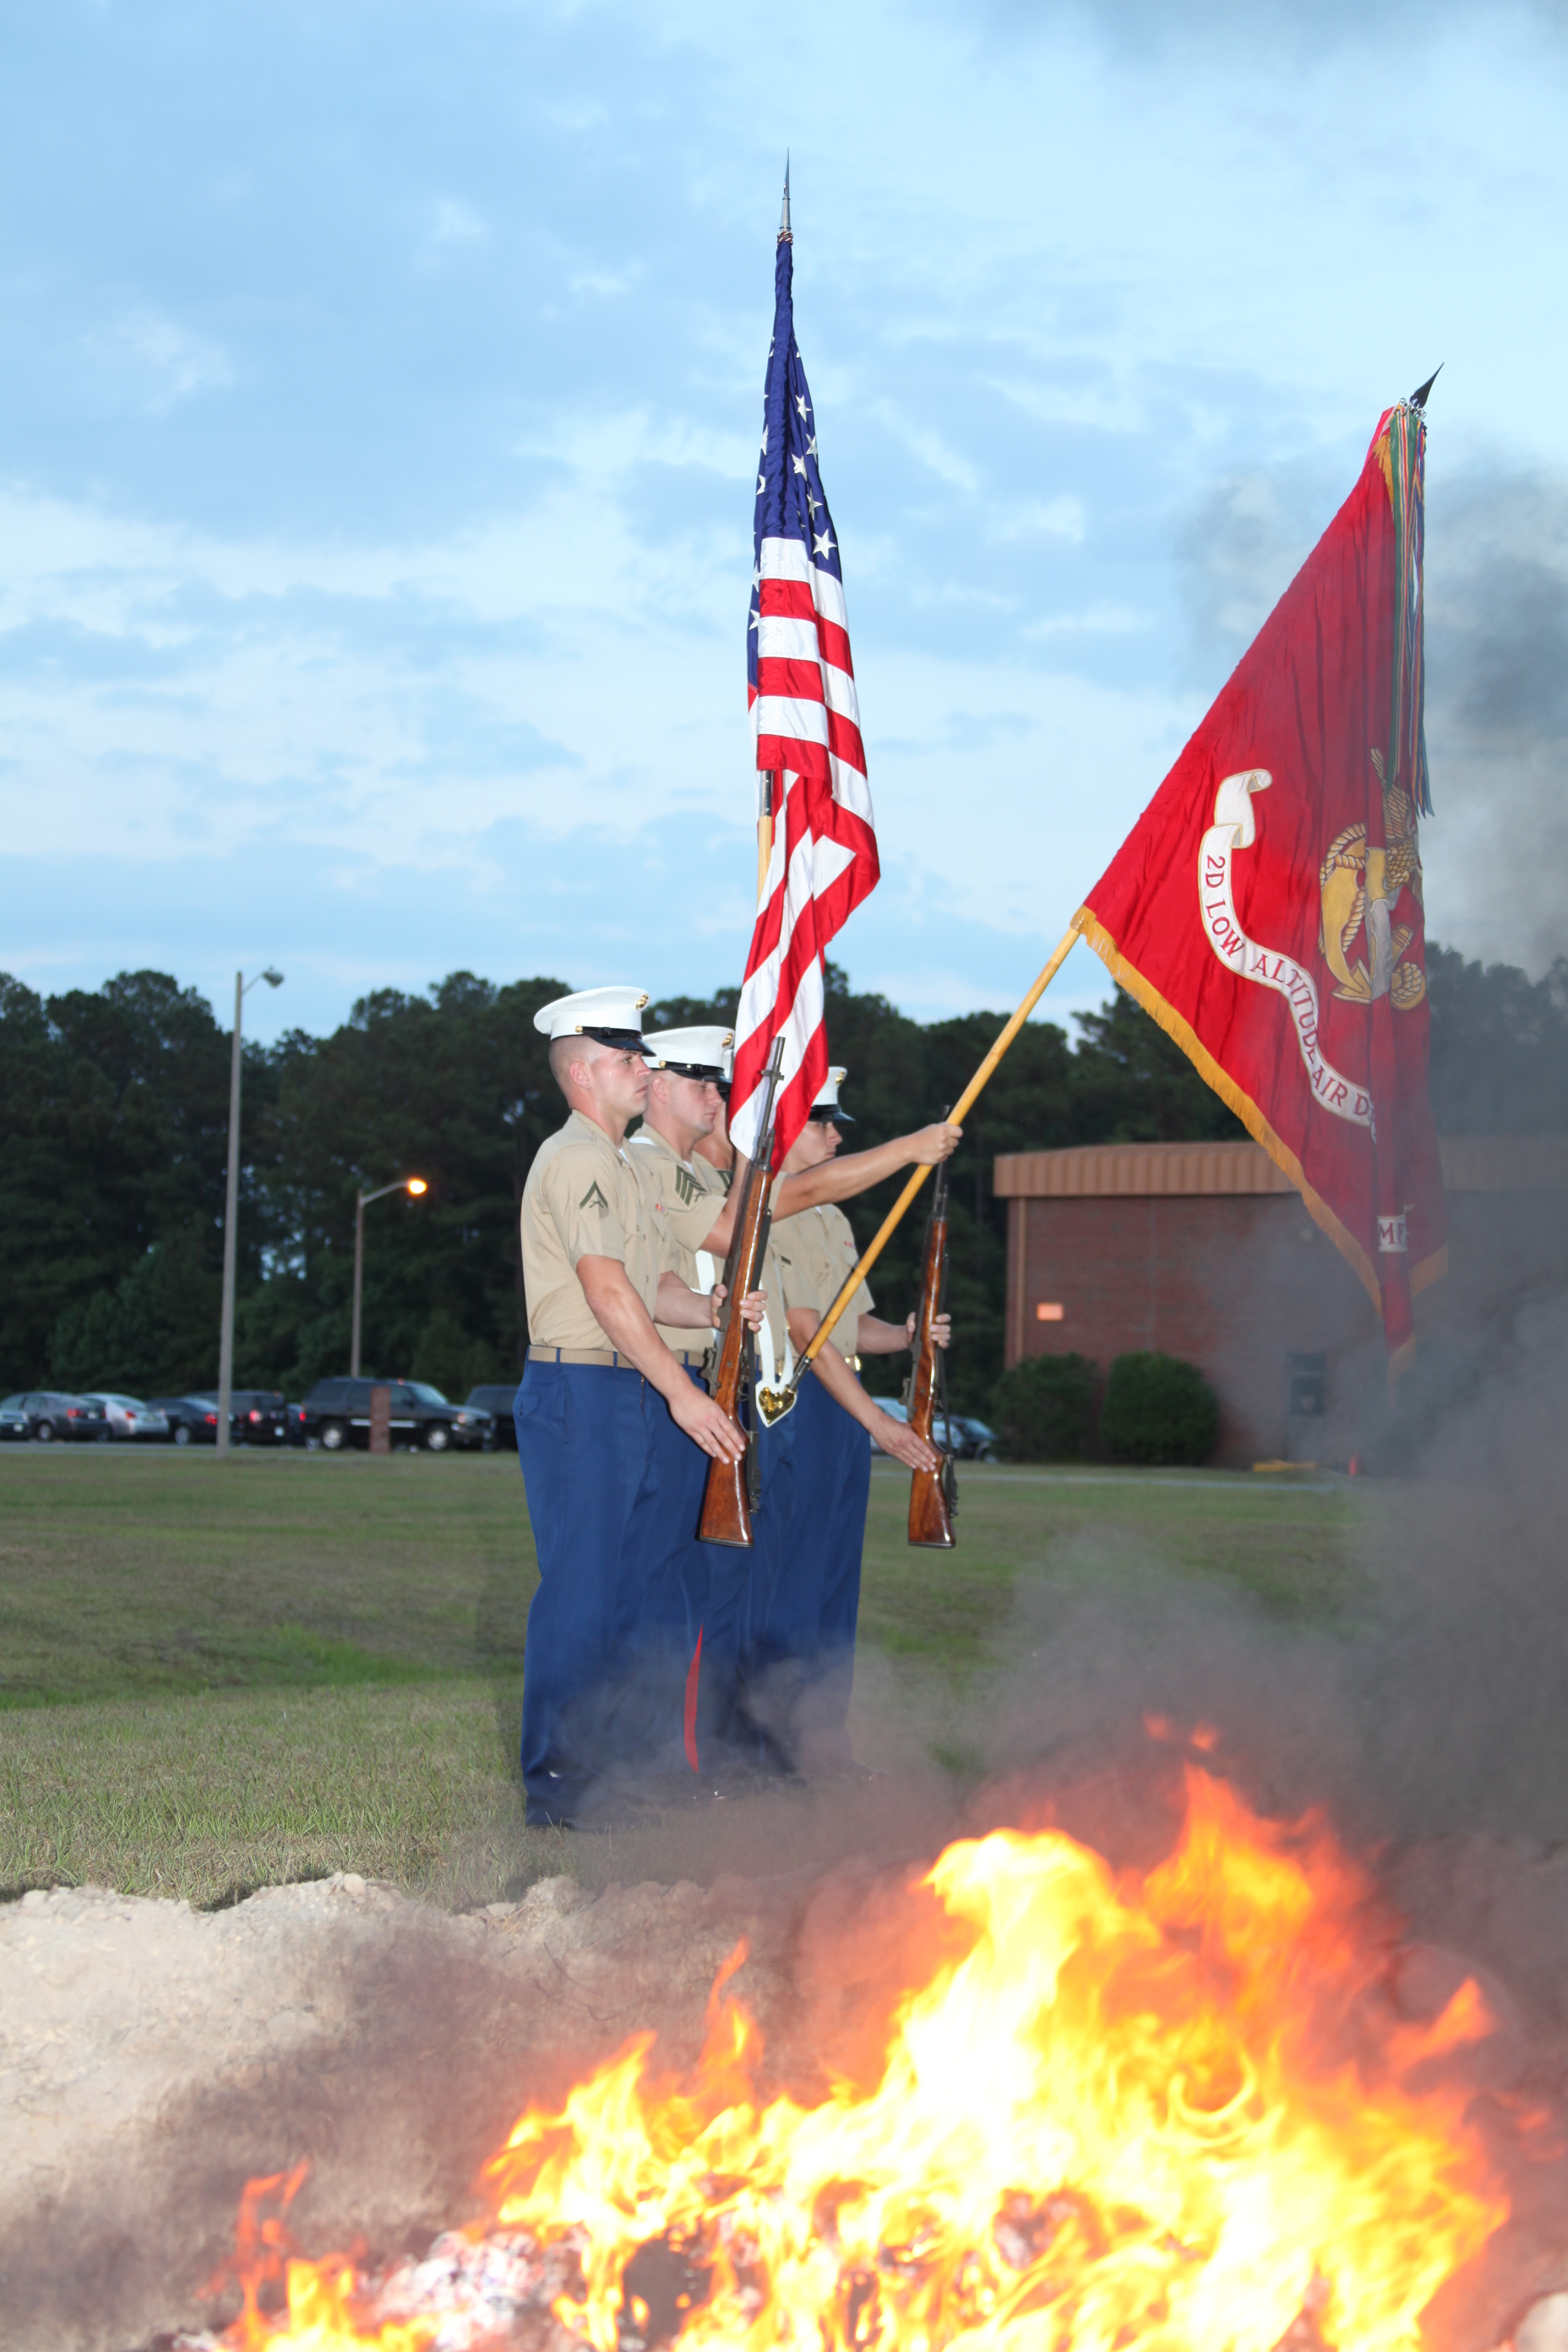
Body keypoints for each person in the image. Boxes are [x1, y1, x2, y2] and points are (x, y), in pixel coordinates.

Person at [514, 988, 762, 1829]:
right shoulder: (576, 1158)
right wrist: (682, 1392)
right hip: (582, 1388)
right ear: (582, 1073)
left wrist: (714, 1310)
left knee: (638, 1593)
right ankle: (559, 1786)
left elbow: (653, 1287)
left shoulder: (619, 1164)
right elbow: (606, 1290)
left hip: (622, 1388)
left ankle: (626, 1770)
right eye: (627, 1060)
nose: (643, 1070)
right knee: (584, 1593)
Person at [755, 1067, 953, 1777]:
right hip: (802, 1402)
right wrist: (879, 1422)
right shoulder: (771, 1207)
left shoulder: (832, 1218)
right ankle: (775, 1742)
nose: (836, 1135)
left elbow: (849, 1325)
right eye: (823, 1123)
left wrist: (907, 1336)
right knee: (796, 1577)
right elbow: (807, 1330)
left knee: (836, 1583)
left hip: (842, 1404)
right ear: (786, 1127)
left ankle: (822, 1740)